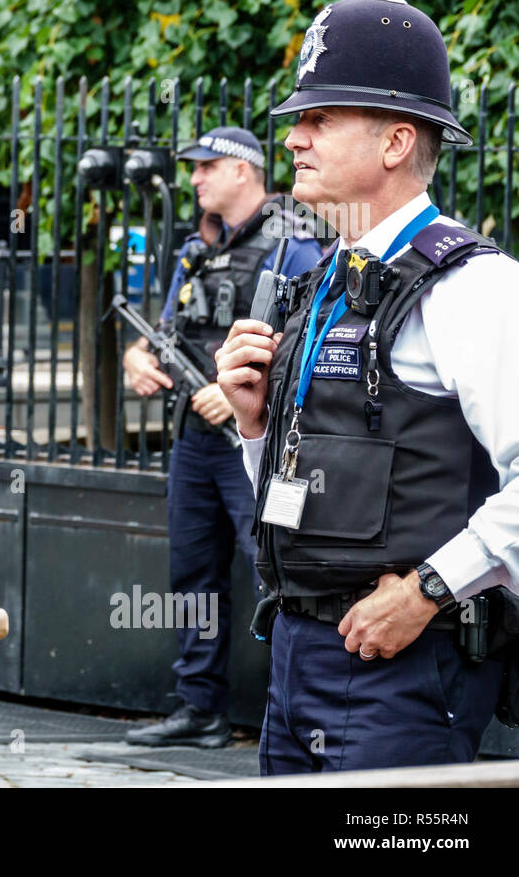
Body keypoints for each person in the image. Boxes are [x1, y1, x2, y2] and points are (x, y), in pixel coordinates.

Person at [216, 0, 518, 773]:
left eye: (320, 120)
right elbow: (298, 485)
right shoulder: (325, 278)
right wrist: (255, 426)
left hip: (405, 663)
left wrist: (426, 591)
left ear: (395, 141)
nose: (292, 138)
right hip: (296, 651)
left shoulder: (476, 288)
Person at [122, 127, 321, 748]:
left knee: (272, 566)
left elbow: (309, 333)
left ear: (244, 171)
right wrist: (136, 357)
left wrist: (237, 390)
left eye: (208, 166)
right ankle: (198, 706)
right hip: (193, 437)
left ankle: (295, 714)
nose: (196, 178)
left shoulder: (293, 241)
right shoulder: (194, 249)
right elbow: (163, 328)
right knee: (192, 573)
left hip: (255, 433)